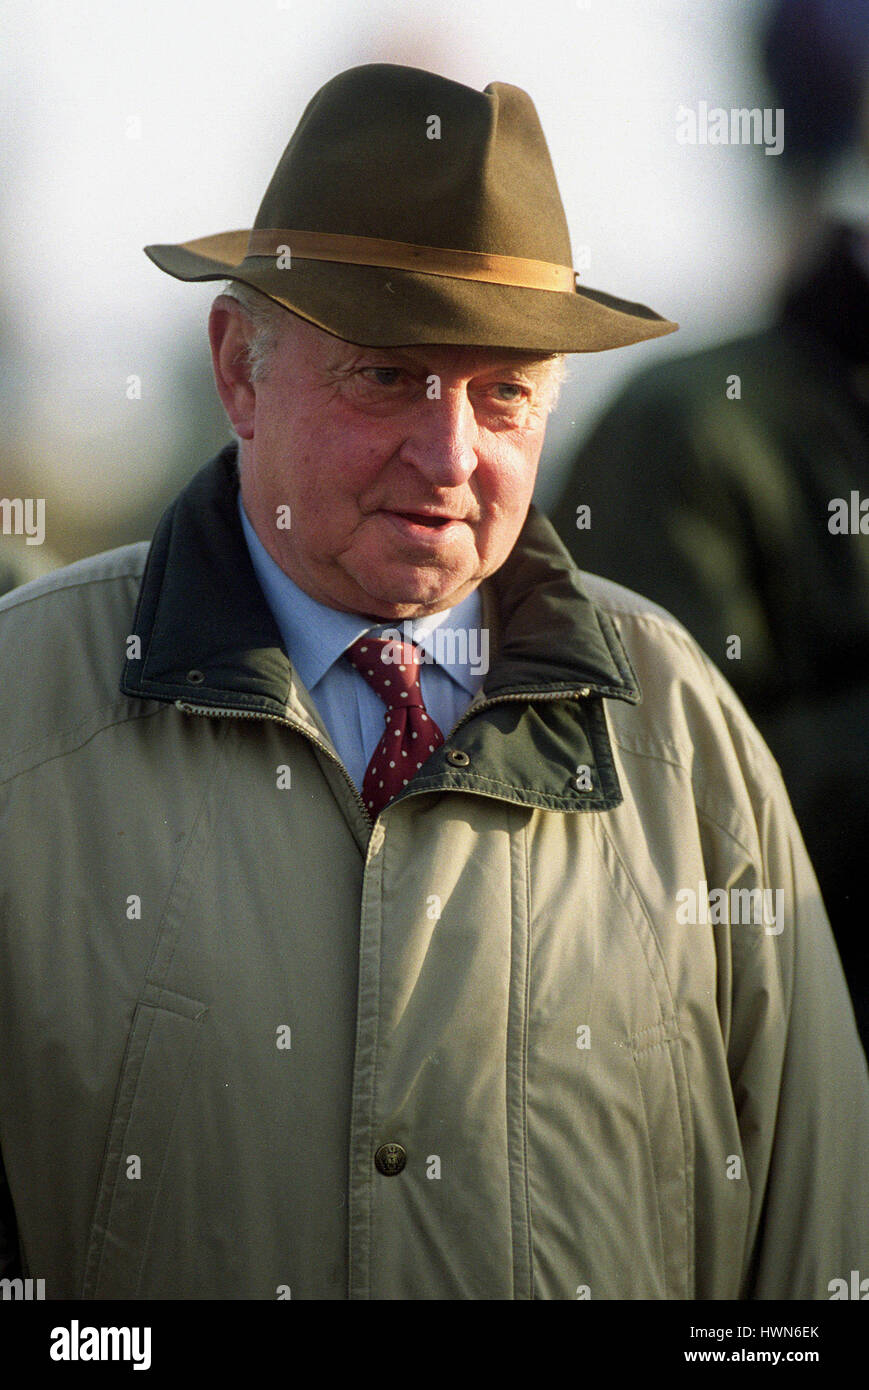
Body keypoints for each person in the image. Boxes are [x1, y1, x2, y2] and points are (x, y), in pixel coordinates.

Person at [0, 63, 865, 1302]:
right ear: (240, 369)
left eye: (502, 390)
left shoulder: (681, 735)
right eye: (390, 374)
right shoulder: (22, 717)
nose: (450, 451)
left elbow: (817, 1254)